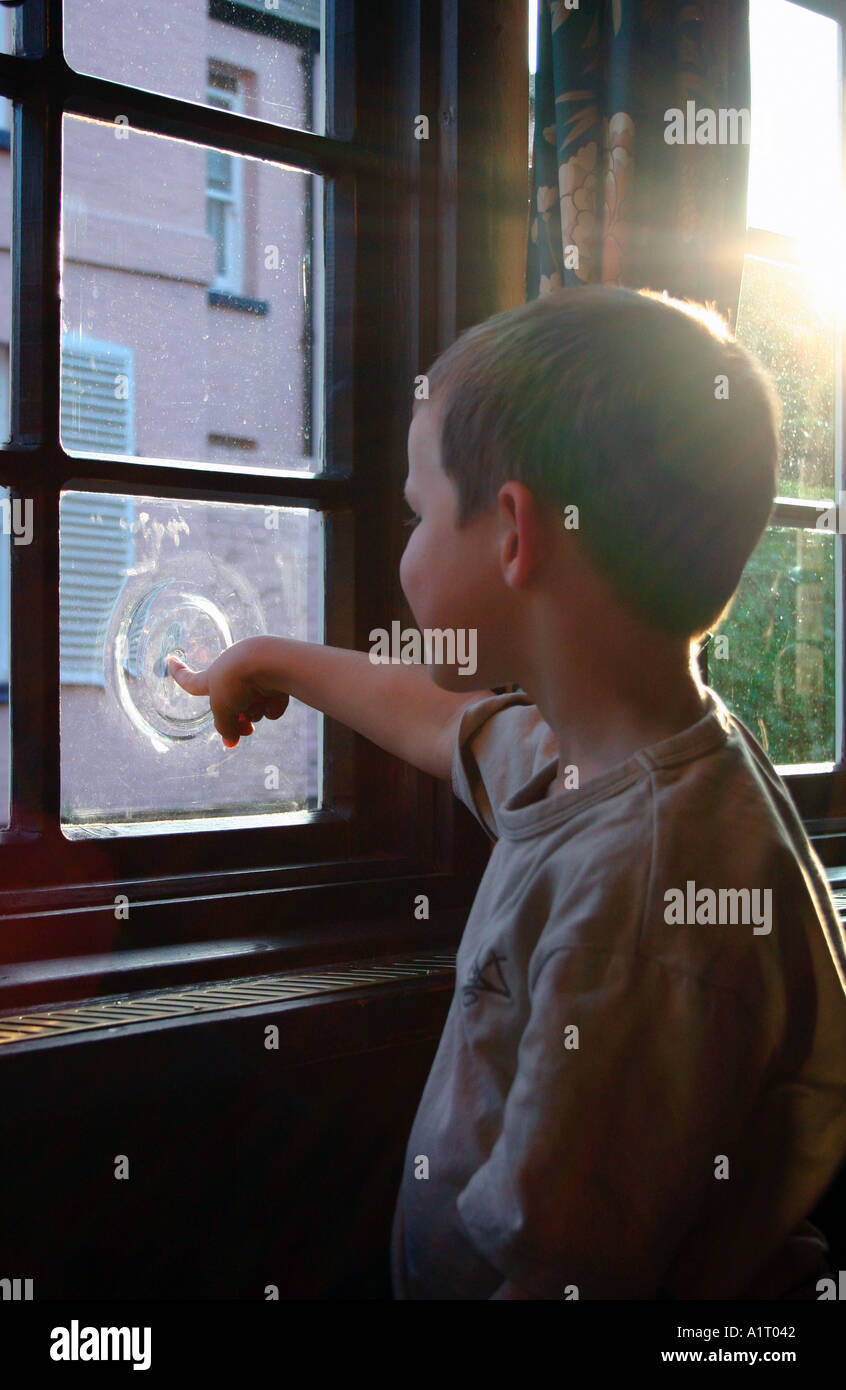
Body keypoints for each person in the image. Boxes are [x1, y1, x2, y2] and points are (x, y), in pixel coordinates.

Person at [169, 285, 846, 1299]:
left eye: (416, 514)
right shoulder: (622, 754)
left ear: (517, 532)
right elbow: (445, 724)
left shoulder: (644, 903)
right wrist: (269, 662)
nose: (402, 551)